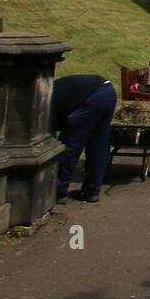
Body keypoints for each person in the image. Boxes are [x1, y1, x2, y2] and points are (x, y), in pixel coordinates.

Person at [49, 74, 116, 203]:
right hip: (108, 92)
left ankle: (59, 190)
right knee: (98, 145)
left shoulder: (46, 100)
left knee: (69, 144)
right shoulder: (54, 89)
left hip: (93, 97)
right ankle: (92, 190)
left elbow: (49, 131)